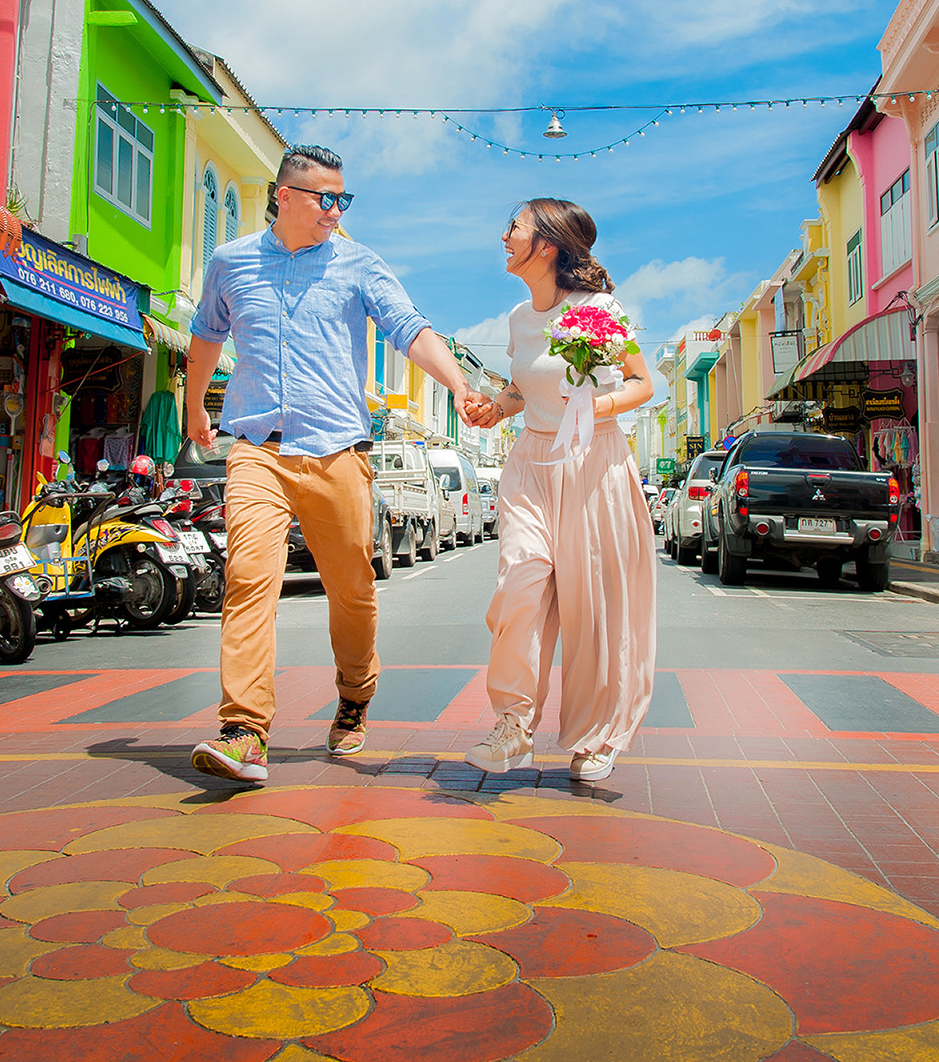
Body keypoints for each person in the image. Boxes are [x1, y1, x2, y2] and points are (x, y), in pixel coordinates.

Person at [184, 144, 477, 784]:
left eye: (343, 199)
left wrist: (457, 384)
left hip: (338, 449)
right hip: (258, 448)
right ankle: (244, 731)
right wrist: (193, 411)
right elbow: (205, 337)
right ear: (283, 197)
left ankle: (354, 693)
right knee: (248, 577)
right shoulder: (230, 263)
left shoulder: (357, 263)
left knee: (352, 590)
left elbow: (409, 327)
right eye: (325, 198)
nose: (335, 210)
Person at [459, 198, 658, 783]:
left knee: (594, 606)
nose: (503, 235)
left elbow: (645, 383)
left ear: (544, 245)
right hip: (531, 464)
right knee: (520, 583)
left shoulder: (599, 310)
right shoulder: (520, 318)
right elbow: (528, 393)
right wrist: (496, 408)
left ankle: (600, 734)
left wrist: (598, 405)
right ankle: (514, 724)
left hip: (591, 464)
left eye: (513, 227)